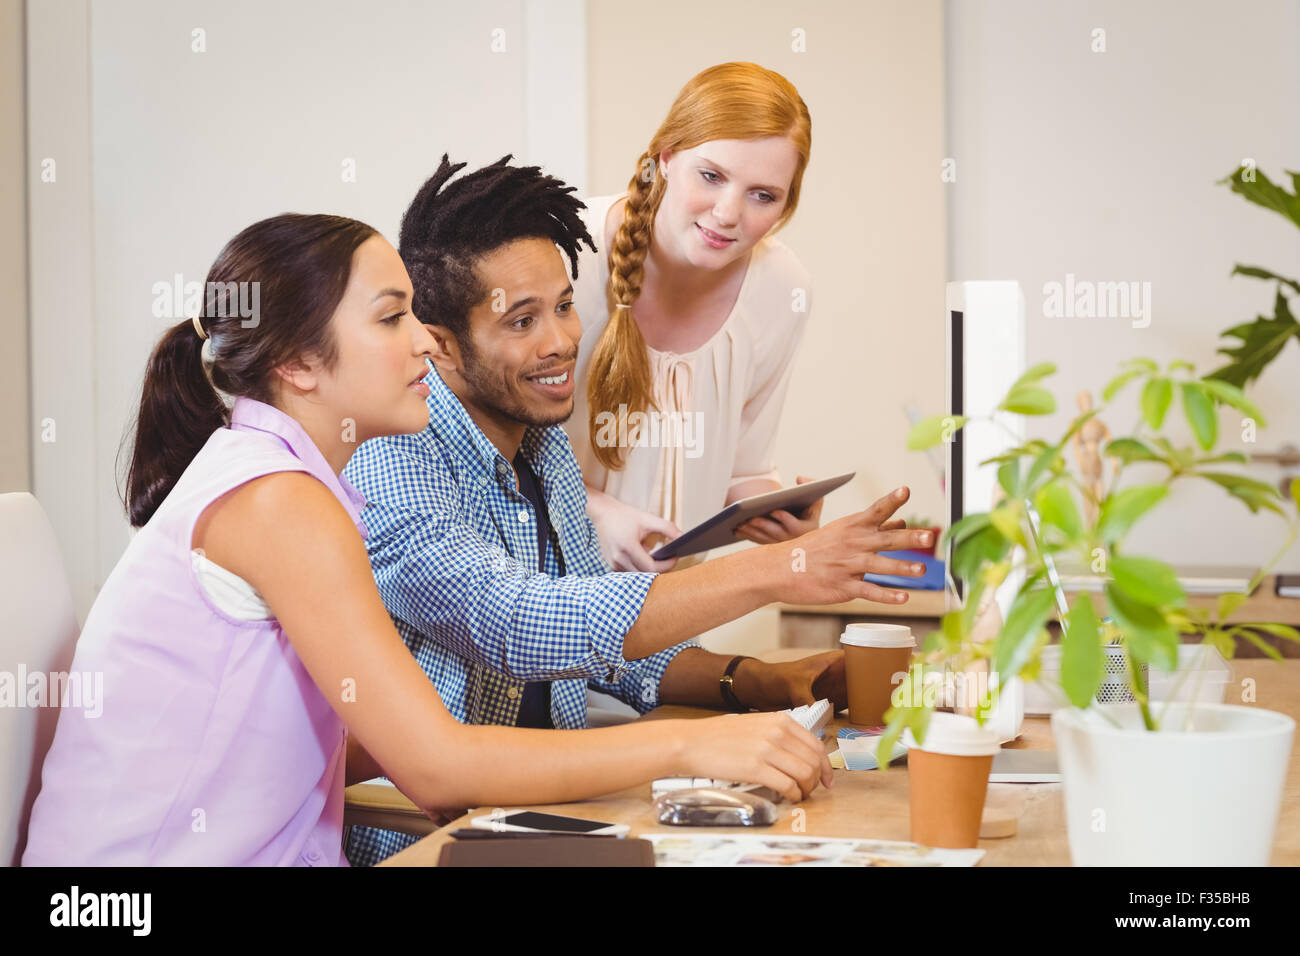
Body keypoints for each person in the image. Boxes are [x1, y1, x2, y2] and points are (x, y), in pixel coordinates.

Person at [20, 213, 837, 867]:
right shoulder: (278, 501)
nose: (423, 340)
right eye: (391, 317)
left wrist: (707, 720)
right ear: (301, 363)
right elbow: (435, 764)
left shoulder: (289, 480)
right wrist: (694, 745)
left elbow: (354, 749)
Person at [341, 156, 933, 865]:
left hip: (544, 819)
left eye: (563, 306)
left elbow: (608, 658)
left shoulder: (545, 448)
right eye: (521, 321)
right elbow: (519, 624)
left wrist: (759, 681)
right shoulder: (392, 456)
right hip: (429, 843)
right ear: (440, 345)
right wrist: (775, 572)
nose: (561, 342)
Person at [567, 61, 822, 573]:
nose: (729, 214)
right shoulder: (568, 255)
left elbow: (744, 467)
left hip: (673, 611)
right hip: (542, 603)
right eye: (711, 176)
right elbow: (492, 451)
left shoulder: (781, 290)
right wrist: (595, 512)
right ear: (665, 157)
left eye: (763, 195)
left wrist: (778, 512)